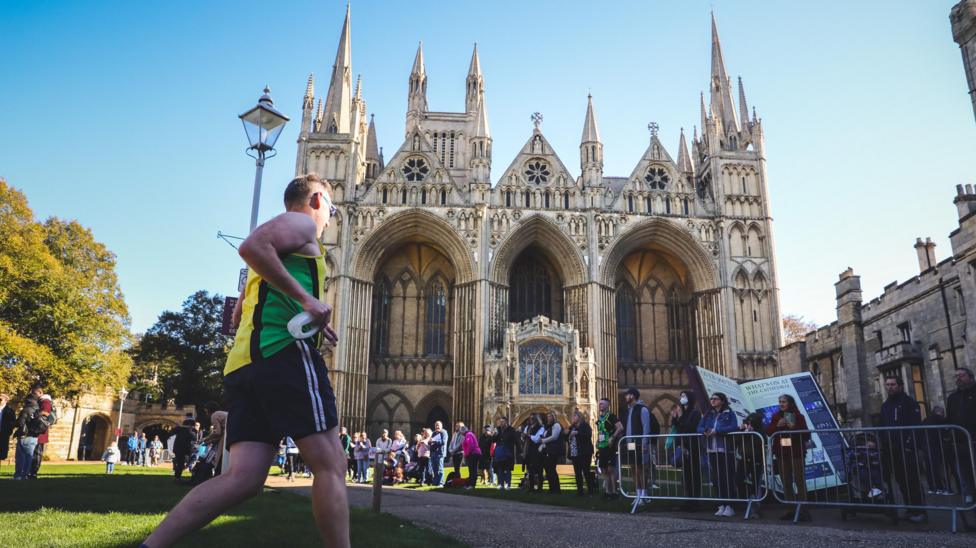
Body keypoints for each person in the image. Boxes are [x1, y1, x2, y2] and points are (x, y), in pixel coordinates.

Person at [143, 173, 349, 548]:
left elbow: (243, 309)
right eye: (332, 209)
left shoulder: (272, 261)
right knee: (332, 464)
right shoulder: (301, 222)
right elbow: (252, 245)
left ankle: (150, 545)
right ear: (318, 200)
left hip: (246, 366)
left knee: (243, 478)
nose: (331, 217)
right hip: (283, 355)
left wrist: (314, 317)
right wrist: (308, 300)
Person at [879, 376, 927, 523]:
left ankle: (920, 511)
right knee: (901, 480)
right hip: (892, 450)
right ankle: (910, 509)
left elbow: (915, 426)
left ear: (900, 385)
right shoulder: (886, 405)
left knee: (911, 479)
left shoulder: (909, 403)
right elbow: (882, 426)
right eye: (887, 385)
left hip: (906, 449)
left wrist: (908, 445)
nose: (890, 387)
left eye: (892, 384)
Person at [767, 394, 811, 521]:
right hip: (782, 453)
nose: (781, 404)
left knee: (799, 481)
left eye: (784, 402)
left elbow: (806, 435)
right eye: (779, 401)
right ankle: (790, 510)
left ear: (790, 403)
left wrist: (794, 427)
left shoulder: (798, 416)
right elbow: (769, 431)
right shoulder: (776, 416)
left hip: (796, 453)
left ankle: (803, 510)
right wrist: (777, 426)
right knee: (786, 481)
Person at [697, 392, 738, 517]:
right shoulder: (709, 414)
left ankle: (730, 505)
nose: (713, 400)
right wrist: (706, 431)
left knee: (726, 477)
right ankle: (721, 504)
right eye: (712, 398)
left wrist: (717, 431)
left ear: (722, 401)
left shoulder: (729, 414)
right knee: (716, 478)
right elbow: (699, 427)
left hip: (725, 449)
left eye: (715, 399)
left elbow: (733, 427)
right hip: (711, 449)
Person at [946, 367, 976, 505]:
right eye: (956, 376)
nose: (958, 378)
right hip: (961, 442)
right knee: (965, 472)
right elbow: (950, 419)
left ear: (970, 376)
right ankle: (970, 496)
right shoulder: (953, 398)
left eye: (961, 375)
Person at [623, 388, 658, 503]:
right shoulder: (629, 410)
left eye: (627, 395)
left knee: (641, 468)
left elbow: (646, 427)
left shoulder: (642, 409)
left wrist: (644, 443)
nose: (625, 397)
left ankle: (644, 493)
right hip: (631, 443)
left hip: (639, 443)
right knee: (633, 467)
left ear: (632, 396)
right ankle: (638, 492)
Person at [670, 391, 702, 510]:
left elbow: (690, 427)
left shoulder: (695, 413)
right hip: (684, 446)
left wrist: (680, 418)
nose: (682, 398)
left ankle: (695, 501)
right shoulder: (684, 413)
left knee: (694, 474)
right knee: (687, 475)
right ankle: (689, 500)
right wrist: (675, 417)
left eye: (684, 396)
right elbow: (678, 428)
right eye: (681, 396)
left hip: (692, 446)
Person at [12, 384, 45, 480]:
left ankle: (18, 475)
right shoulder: (39, 409)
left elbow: (20, 423)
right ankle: (25, 475)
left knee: (20, 458)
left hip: (24, 436)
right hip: (34, 436)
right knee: (29, 457)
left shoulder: (26, 409)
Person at [595, 397, 623, 500]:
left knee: (611, 469)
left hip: (610, 446)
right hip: (602, 446)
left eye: (602, 404)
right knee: (604, 470)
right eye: (599, 403)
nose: (600, 405)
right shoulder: (600, 419)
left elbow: (620, 427)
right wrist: (598, 441)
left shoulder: (611, 416)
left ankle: (614, 492)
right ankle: (607, 492)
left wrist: (613, 437)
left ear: (608, 405)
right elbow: (601, 432)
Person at [920, 406, 952, 495]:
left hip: (926, 446)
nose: (943, 415)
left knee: (930, 468)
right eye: (942, 413)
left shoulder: (926, 420)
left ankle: (933, 488)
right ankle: (945, 488)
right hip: (936, 446)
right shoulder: (939, 419)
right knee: (940, 468)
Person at [569, 409, 596, 496]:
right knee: (577, 473)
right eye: (573, 416)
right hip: (575, 452)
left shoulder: (585, 425)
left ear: (579, 417)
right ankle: (580, 491)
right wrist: (568, 434)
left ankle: (591, 491)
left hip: (584, 452)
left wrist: (577, 433)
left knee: (586, 471)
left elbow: (588, 435)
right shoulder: (572, 426)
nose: (573, 417)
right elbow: (567, 435)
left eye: (575, 416)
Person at [29, 393, 55, 478]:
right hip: (40, 432)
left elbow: (46, 413)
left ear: (40, 393)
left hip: (40, 433)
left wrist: (37, 413)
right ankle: (31, 472)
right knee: (35, 453)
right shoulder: (44, 401)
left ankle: (33, 473)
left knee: (36, 454)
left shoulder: (45, 401)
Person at [538, 411, 563, 493]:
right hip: (548, 450)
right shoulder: (548, 427)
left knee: (551, 469)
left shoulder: (556, 425)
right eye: (547, 416)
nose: (548, 418)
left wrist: (543, 440)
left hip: (553, 450)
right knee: (548, 470)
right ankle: (552, 488)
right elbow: (545, 436)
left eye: (550, 416)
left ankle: (556, 489)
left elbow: (554, 437)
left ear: (553, 417)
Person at [492, 416, 517, 490]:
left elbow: (516, 441)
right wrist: (495, 434)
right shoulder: (498, 429)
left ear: (506, 422)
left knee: (508, 469)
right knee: (500, 469)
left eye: (503, 421)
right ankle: (501, 484)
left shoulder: (511, 430)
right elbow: (493, 440)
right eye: (501, 421)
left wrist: (520, 451)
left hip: (508, 452)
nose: (501, 423)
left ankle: (508, 484)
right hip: (500, 452)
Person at [522, 414, 545, 491]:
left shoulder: (541, 428)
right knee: (530, 470)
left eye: (532, 418)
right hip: (528, 451)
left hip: (537, 451)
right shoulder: (527, 427)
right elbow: (523, 437)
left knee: (539, 471)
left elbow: (537, 439)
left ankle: (540, 488)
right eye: (530, 418)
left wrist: (528, 436)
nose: (530, 420)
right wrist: (523, 436)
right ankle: (531, 487)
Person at [172, 416, 195, 483]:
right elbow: (187, 444)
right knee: (181, 464)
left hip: (177, 449)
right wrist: (188, 453)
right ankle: (177, 478)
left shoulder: (179, 430)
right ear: (190, 425)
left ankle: (177, 477)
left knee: (180, 464)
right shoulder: (189, 433)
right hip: (183, 450)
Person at [429, 421, 449, 487]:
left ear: (441, 426)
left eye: (438, 425)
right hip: (433, 453)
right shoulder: (434, 433)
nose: (437, 426)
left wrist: (434, 441)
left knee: (440, 469)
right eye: (436, 425)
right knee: (434, 468)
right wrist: (430, 442)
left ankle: (441, 483)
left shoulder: (444, 432)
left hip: (440, 453)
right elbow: (431, 442)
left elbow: (443, 442)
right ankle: (435, 482)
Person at [0, 393, 16, 462]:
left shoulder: (9, 410)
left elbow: (12, 422)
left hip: (4, 433)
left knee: (2, 452)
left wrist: (9, 431)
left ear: (6, 400)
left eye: (1, 399)